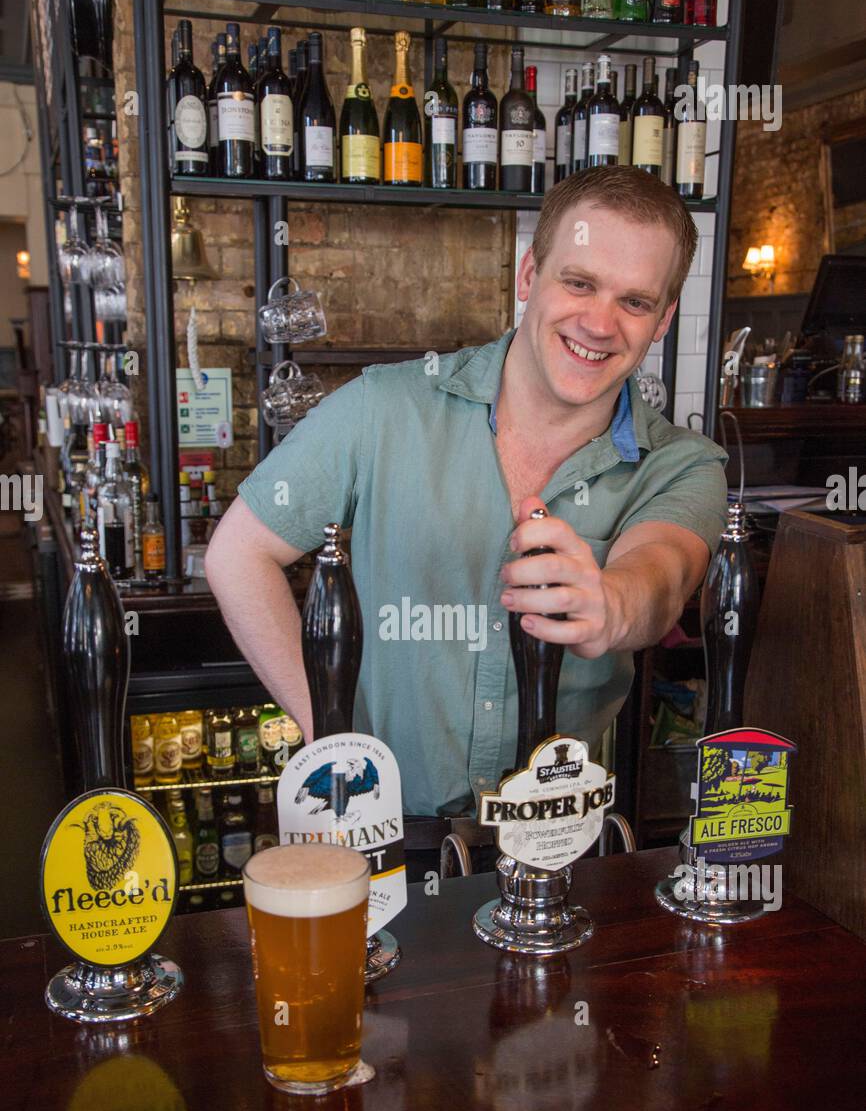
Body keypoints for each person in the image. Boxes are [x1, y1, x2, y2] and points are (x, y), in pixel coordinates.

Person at [206, 166, 728, 828]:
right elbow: (237, 553)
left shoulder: (682, 465)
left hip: (560, 844)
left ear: (663, 320)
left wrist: (611, 603)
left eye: (634, 302)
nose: (599, 323)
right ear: (528, 276)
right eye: (579, 283)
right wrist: (331, 734)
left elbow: (662, 573)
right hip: (385, 832)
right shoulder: (384, 409)